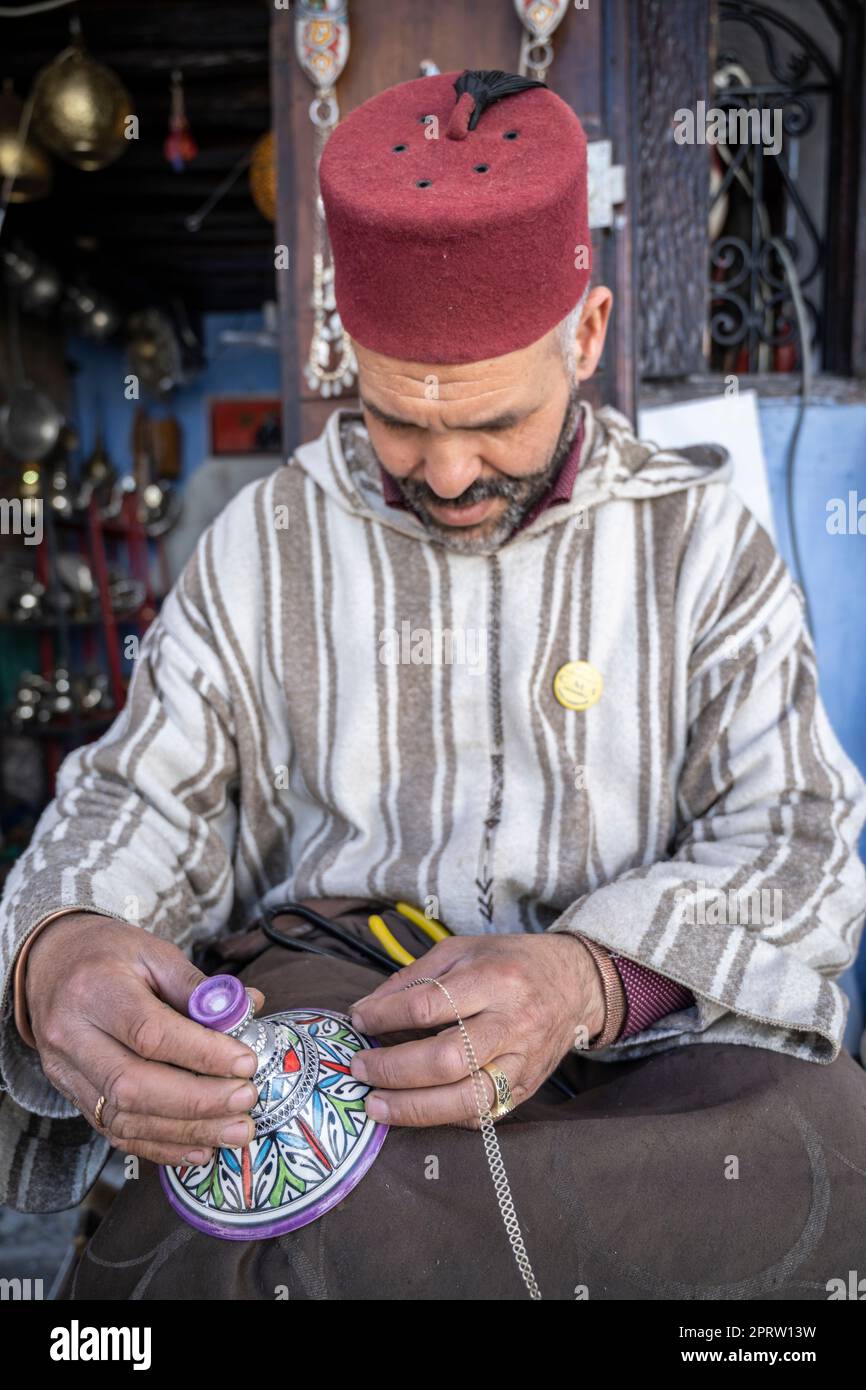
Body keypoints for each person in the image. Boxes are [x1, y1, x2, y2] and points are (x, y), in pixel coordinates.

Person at [2, 69, 866, 1301]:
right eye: (400, 418)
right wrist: (63, 944)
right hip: (343, 1020)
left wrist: (586, 981)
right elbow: (143, 799)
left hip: (632, 1038)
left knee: (831, 1166)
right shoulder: (266, 543)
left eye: (494, 421)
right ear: (348, 351)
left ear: (586, 332)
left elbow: (797, 842)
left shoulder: (701, 547)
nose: (446, 472)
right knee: (278, 1221)